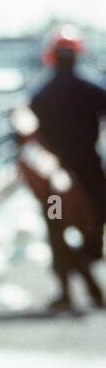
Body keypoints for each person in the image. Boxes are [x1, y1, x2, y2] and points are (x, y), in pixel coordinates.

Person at [25, 26, 106, 311]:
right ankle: (88, 271)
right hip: (91, 173)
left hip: (55, 178)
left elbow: (27, 138)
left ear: (52, 57)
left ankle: (67, 290)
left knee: (57, 229)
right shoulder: (95, 89)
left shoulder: (39, 95)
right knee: (95, 227)